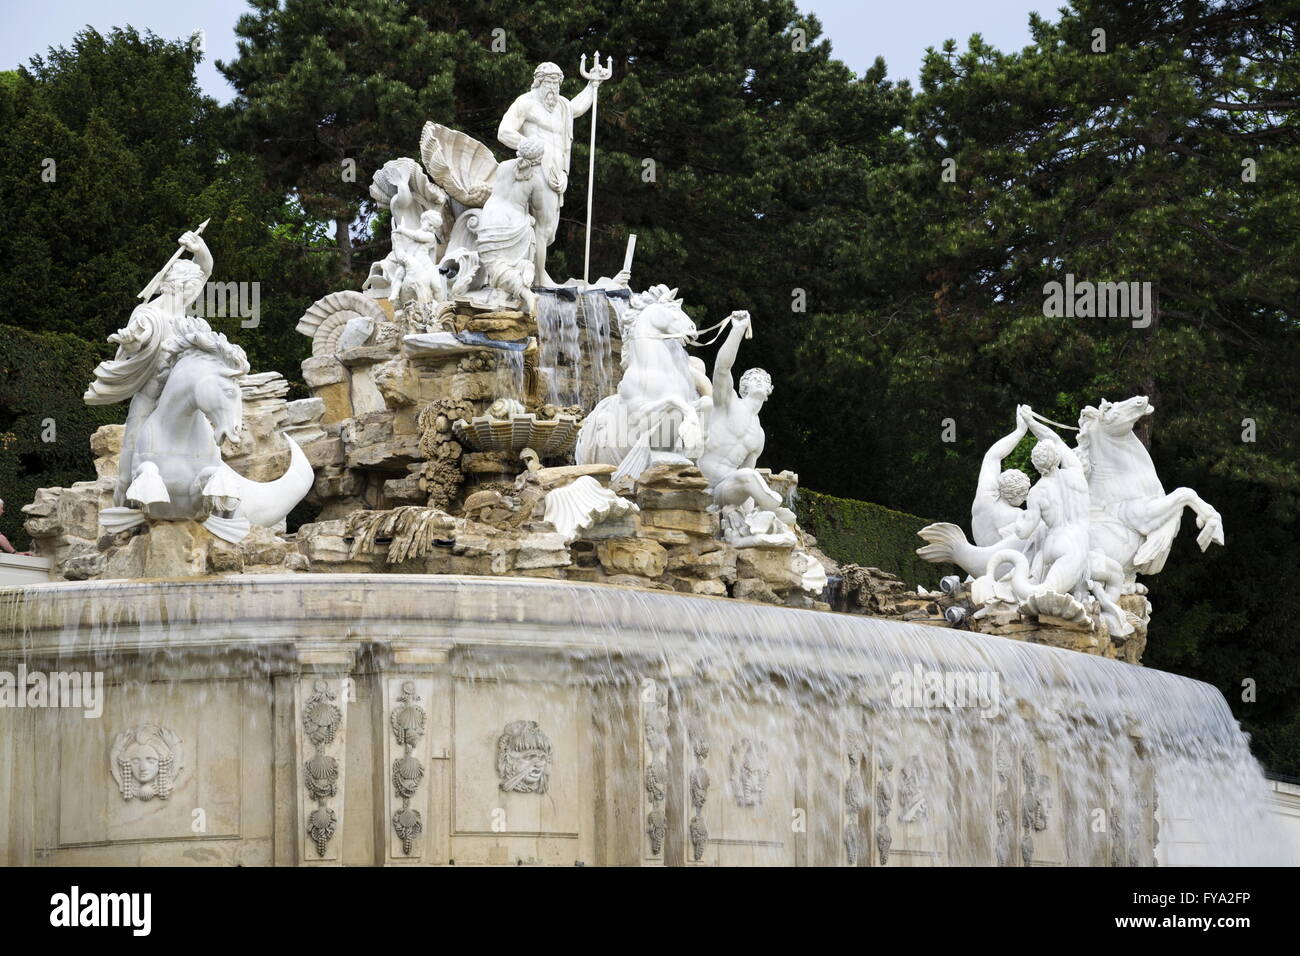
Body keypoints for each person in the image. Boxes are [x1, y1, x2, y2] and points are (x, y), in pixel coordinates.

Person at [497, 62, 605, 286]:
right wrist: (529, 146)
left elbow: (577, 107)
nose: (553, 88)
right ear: (538, 82)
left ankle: (531, 271)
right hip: (534, 170)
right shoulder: (525, 103)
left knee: (549, 232)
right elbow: (504, 132)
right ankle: (539, 277)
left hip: (556, 175)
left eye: (556, 83)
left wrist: (592, 84)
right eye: (548, 82)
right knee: (543, 228)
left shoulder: (562, 107)